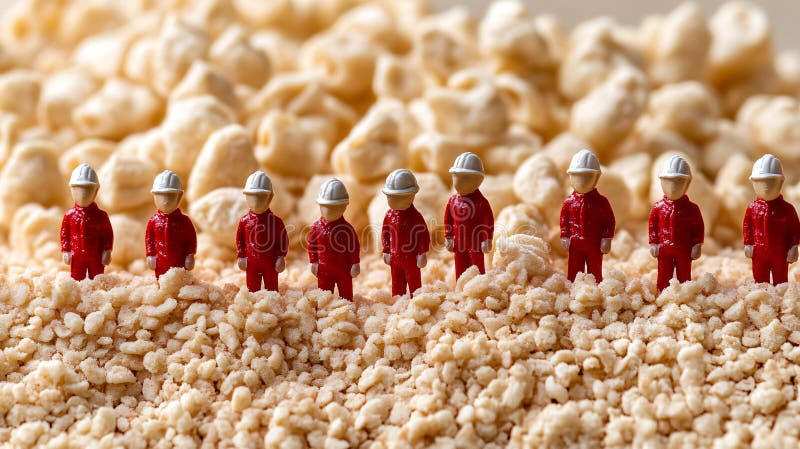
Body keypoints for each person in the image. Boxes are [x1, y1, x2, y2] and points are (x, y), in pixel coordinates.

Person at [648, 155, 704, 292]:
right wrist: (653, 242)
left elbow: (698, 227)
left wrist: (697, 244)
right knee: (664, 274)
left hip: (684, 249)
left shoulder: (692, 209)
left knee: (684, 274)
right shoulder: (658, 207)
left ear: (687, 184)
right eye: (668, 182)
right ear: (661, 182)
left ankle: (685, 294)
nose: (672, 187)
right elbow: (653, 227)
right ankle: (662, 292)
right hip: (664, 249)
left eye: (679, 182)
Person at [743, 154, 800, 285]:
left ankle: (780, 301)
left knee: (780, 280)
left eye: (770, 182)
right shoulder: (752, 208)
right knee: (760, 279)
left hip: (780, 251)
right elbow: (747, 227)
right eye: (760, 183)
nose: (765, 187)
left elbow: (795, 229)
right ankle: (762, 299)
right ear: (753, 183)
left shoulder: (787, 209)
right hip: (759, 252)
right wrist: (748, 243)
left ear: (780, 182)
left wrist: (794, 247)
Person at [560, 149, 615, 282]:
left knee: (594, 270)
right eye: (577, 177)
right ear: (570, 177)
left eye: (587, 177)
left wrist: (607, 238)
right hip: (575, 242)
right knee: (574, 269)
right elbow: (564, 220)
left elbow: (609, 221)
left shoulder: (602, 202)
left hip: (594, 242)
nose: (582, 181)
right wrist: (565, 235)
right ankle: (573, 288)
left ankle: (595, 289)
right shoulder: (569, 202)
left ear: (596, 177)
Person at [308, 178, 360, 300]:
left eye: (334, 207)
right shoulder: (316, 227)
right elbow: (312, 245)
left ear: (344, 207)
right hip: (323, 269)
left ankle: (347, 310)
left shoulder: (347, 229)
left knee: (346, 295)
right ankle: (323, 313)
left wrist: (355, 263)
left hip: (344, 270)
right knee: (324, 297)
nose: (328, 211)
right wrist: (314, 261)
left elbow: (354, 247)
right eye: (325, 207)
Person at [236, 171, 288, 292]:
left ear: (269, 197)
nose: (255, 201)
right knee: (252, 289)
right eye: (251, 197)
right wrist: (241, 256)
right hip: (251, 263)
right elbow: (240, 240)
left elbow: (283, 240)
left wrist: (281, 256)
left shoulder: (276, 222)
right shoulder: (244, 221)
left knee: (272, 289)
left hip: (270, 262)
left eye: (260, 197)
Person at [444, 152, 493, 280]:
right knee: (460, 267)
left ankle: (478, 288)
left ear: (479, 180)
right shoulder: (452, 200)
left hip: (475, 243)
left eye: (465, 178)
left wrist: (487, 239)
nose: (459, 182)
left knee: (477, 268)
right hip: (458, 242)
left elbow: (488, 222)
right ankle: (461, 290)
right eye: (456, 177)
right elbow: (448, 220)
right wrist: (449, 237)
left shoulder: (481, 203)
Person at [381, 169, 430, 297]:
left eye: (398, 198)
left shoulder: (415, 217)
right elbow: (385, 233)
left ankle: (416, 302)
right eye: (390, 198)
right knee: (397, 283)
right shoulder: (389, 215)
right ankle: (398, 302)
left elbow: (423, 235)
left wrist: (422, 253)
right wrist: (386, 250)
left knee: (414, 283)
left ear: (411, 196)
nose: (393, 202)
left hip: (411, 258)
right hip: (394, 257)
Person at [60, 163, 113, 280]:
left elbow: (107, 235)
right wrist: (66, 250)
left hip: (96, 255)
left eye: (87, 190)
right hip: (76, 256)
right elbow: (65, 235)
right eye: (78, 190)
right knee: (77, 279)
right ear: (71, 190)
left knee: (97, 279)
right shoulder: (69, 215)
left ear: (96, 191)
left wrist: (107, 250)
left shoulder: (101, 216)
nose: (83, 195)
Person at [145, 170, 197, 278]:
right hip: (160, 262)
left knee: (179, 282)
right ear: (154, 196)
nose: (165, 201)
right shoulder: (153, 221)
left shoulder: (185, 221)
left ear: (179, 196)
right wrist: (150, 254)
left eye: (170, 196)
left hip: (179, 261)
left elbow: (191, 239)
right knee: (162, 282)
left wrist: (190, 255)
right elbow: (149, 239)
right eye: (161, 196)